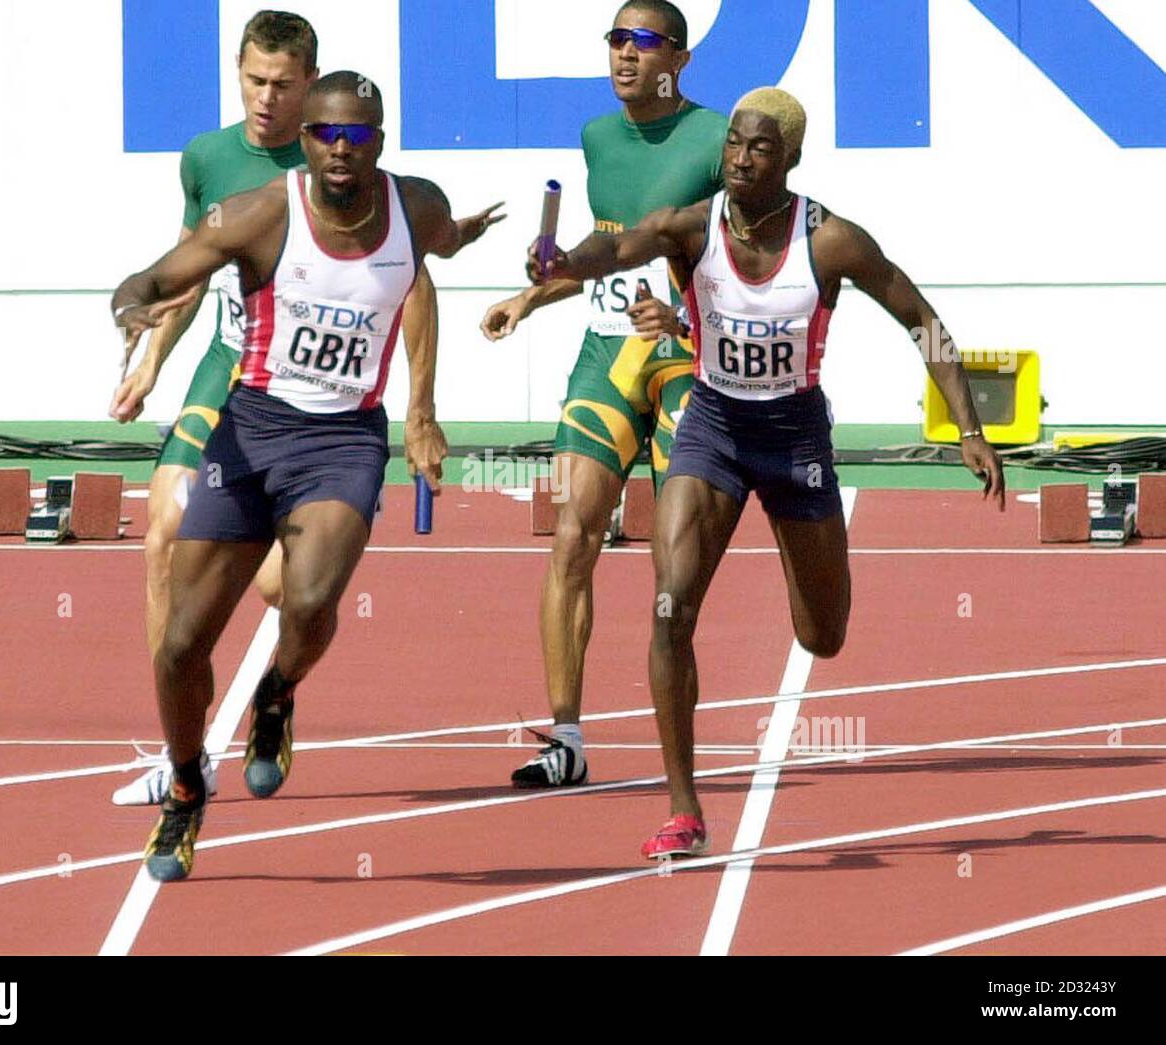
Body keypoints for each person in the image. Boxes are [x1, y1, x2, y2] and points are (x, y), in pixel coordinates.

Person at [528, 86, 1006, 859]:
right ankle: (684, 809)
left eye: (759, 148)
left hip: (793, 439)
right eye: (734, 144)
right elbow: (615, 249)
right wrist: (562, 262)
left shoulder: (831, 241)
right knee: (668, 607)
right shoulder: (692, 227)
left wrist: (970, 428)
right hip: (712, 428)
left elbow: (920, 319)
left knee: (823, 634)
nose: (741, 159)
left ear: (790, 159)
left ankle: (807, 587)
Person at [112, 71, 498, 881]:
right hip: (250, 431)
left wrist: (423, 409)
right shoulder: (263, 213)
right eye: (325, 133)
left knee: (311, 597)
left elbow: (439, 250)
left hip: (344, 440)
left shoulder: (415, 207)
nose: (340, 148)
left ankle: (277, 690)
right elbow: (157, 275)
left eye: (357, 135)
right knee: (180, 646)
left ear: (379, 142)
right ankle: (185, 784)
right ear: (306, 140)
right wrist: (132, 306)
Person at [481, 0, 726, 789]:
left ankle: (676, 745)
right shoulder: (597, 138)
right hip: (607, 355)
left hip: (687, 356)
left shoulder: (717, 139)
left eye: (642, 41)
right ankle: (567, 738)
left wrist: (687, 319)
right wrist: (533, 292)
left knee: (674, 565)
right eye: (616, 38)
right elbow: (606, 252)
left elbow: (744, 254)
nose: (624, 53)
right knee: (571, 536)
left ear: (678, 60)